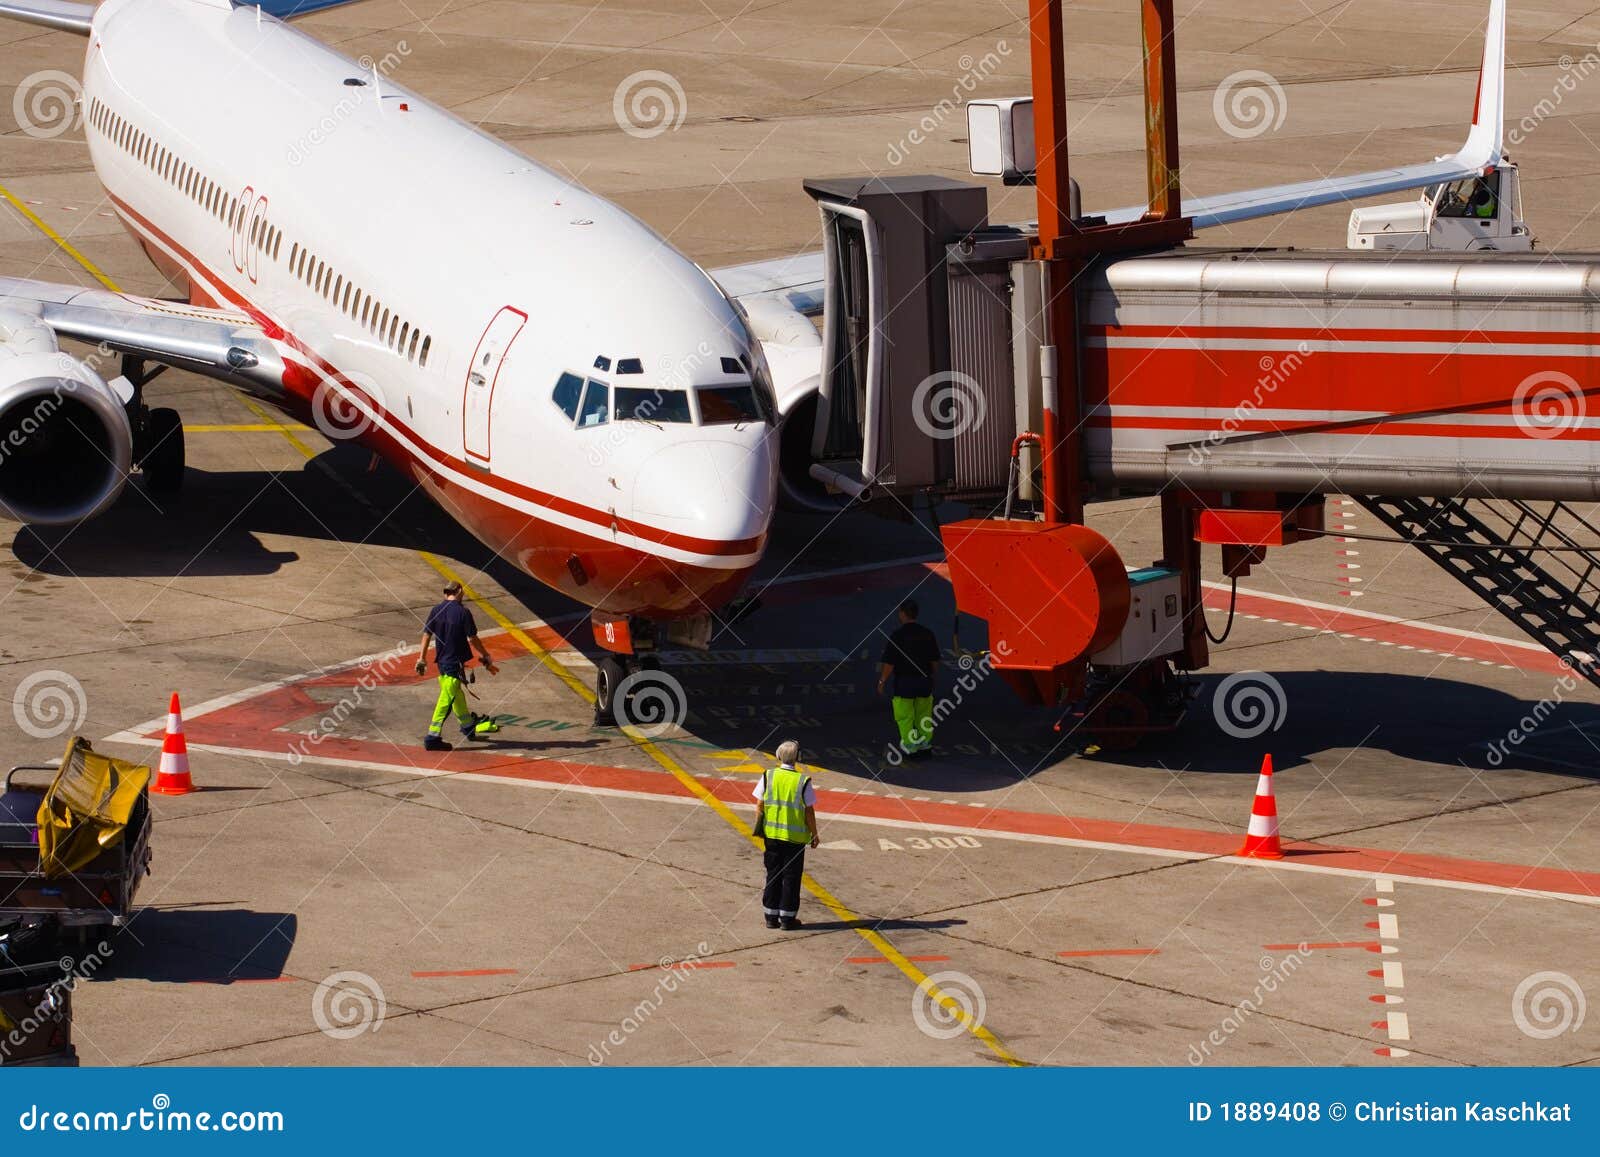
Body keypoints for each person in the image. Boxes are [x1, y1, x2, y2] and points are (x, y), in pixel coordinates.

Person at [415, 580, 500, 751]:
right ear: (459, 591)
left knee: (455, 694)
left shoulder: (436, 610)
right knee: (446, 699)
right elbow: (472, 639)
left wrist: (422, 659)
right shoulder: (463, 612)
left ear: (446, 593)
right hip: (454, 663)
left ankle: (468, 727)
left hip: (442, 663)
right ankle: (432, 737)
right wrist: (485, 657)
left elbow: (426, 635)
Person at [753, 740, 818, 930]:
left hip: (771, 836)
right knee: (791, 877)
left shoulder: (768, 776)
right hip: (794, 839)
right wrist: (814, 834)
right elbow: (809, 811)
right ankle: (787, 919)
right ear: (798, 758)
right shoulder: (802, 781)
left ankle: (770, 917)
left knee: (773, 873)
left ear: (778, 756)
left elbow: (759, 804)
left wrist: (759, 827)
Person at [877, 599, 940, 759]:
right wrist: (932, 677)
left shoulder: (897, 636)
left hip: (905, 682)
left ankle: (911, 748)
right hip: (924, 681)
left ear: (903, 614)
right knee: (923, 715)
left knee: (905, 717)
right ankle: (926, 746)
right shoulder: (928, 634)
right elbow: (934, 661)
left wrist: (882, 681)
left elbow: (889, 663)